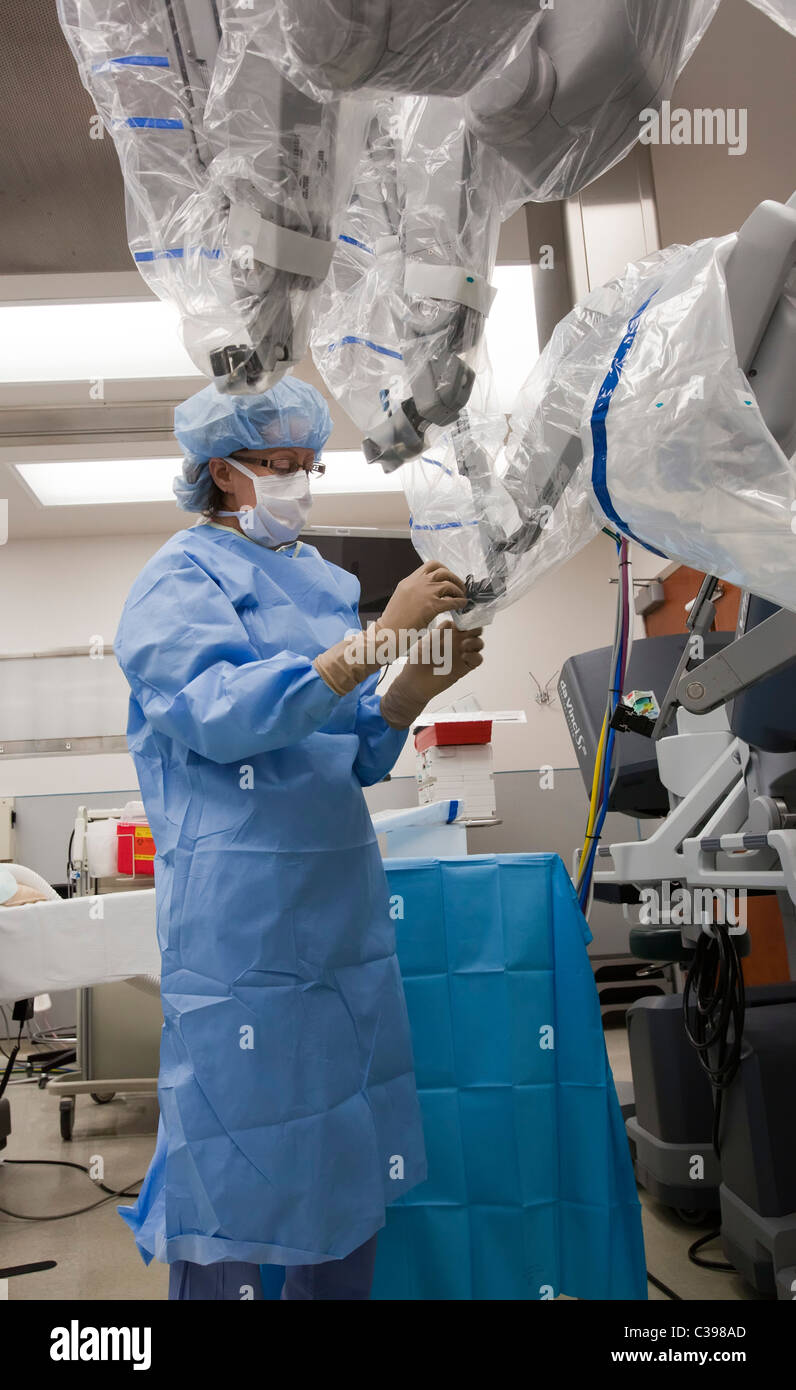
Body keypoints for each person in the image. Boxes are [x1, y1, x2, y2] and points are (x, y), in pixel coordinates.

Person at [114, 376, 484, 1300]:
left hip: (337, 910)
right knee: (239, 1151)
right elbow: (226, 716)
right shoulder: (176, 581)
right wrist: (372, 645)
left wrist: (405, 691)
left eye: (306, 465)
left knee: (338, 1141)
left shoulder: (323, 581)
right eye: (278, 465)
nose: (298, 482)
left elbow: (347, 750)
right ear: (221, 473)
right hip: (239, 922)